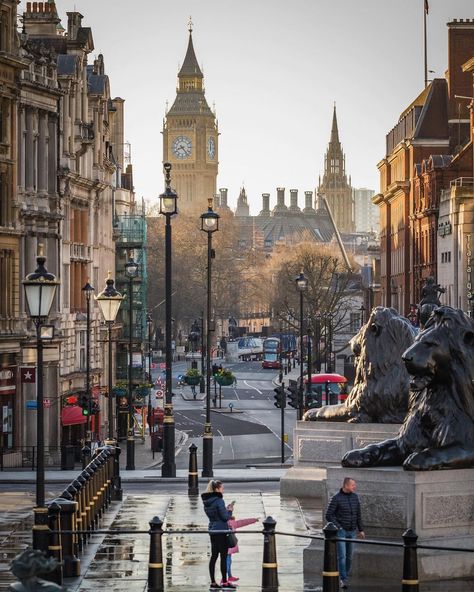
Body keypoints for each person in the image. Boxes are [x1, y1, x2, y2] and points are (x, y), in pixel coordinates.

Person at [325, 477, 365, 589]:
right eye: (353, 485)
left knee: (349, 557)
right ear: (346, 486)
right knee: (342, 556)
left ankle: (345, 576)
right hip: (341, 532)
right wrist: (339, 527)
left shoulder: (355, 497)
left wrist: (361, 530)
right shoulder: (336, 498)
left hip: (352, 532)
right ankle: (343, 579)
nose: (355, 487)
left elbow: (358, 515)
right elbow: (328, 515)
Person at [201, 480, 236, 589]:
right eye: (222, 488)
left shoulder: (207, 501)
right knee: (223, 556)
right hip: (221, 531)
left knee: (214, 556)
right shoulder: (219, 500)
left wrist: (224, 511)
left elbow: (215, 515)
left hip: (212, 530)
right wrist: (229, 511)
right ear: (217, 489)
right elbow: (225, 518)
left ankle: (213, 582)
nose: (223, 490)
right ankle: (225, 582)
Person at [225, 511, 259, 583]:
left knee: (228, 561)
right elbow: (243, 522)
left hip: (224, 545)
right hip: (229, 545)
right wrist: (254, 520)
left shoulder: (222, 522)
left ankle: (229, 576)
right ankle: (224, 579)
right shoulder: (232, 522)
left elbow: (243, 522)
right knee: (227, 562)